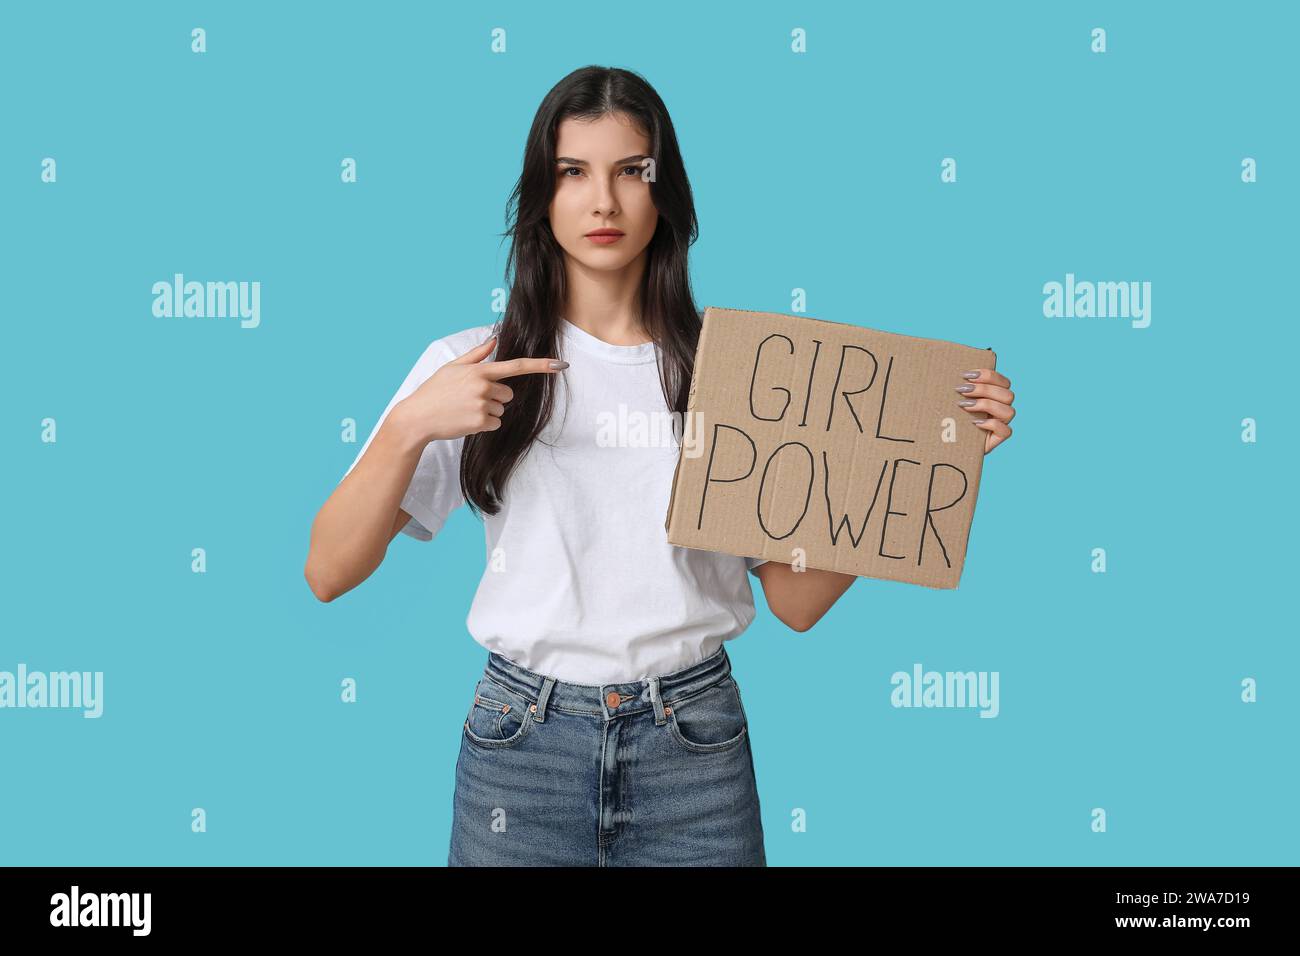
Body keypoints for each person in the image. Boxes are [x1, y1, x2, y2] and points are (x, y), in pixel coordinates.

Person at [304, 66, 1017, 867]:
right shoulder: (471, 366)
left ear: (665, 192)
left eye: (631, 172)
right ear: (543, 196)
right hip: (521, 744)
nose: (603, 201)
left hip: (694, 745)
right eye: (574, 172)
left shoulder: (738, 369)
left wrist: (917, 464)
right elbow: (329, 570)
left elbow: (795, 600)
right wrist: (407, 427)